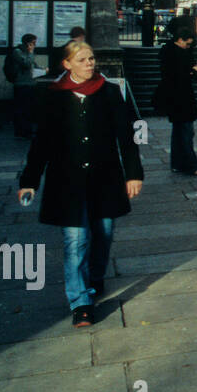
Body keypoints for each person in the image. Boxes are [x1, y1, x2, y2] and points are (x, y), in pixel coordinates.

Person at [17, 41, 143, 328]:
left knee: (104, 233)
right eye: (83, 59)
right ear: (67, 64)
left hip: (105, 178)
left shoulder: (109, 92)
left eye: (92, 58)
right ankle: (80, 302)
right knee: (75, 241)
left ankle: (94, 277)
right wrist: (29, 181)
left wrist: (133, 174)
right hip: (67, 182)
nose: (90, 64)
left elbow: (126, 138)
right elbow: (42, 144)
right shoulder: (53, 97)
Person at [158, 25, 197, 175]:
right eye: (187, 43)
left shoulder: (171, 51)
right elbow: (177, 75)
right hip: (180, 98)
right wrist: (192, 71)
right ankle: (192, 164)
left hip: (177, 98)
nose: (189, 46)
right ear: (180, 40)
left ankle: (177, 163)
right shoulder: (175, 54)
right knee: (186, 131)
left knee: (179, 131)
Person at [5, 34, 38, 137]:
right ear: (28, 43)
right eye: (33, 43)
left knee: (28, 109)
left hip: (30, 83)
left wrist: (42, 69)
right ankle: (20, 131)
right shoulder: (17, 52)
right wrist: (31, 52)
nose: (34, 46)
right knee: (21, 109)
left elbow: (33, 65)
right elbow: (27, 64)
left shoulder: (27, 53)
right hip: (21, 84)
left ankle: (27, 129)